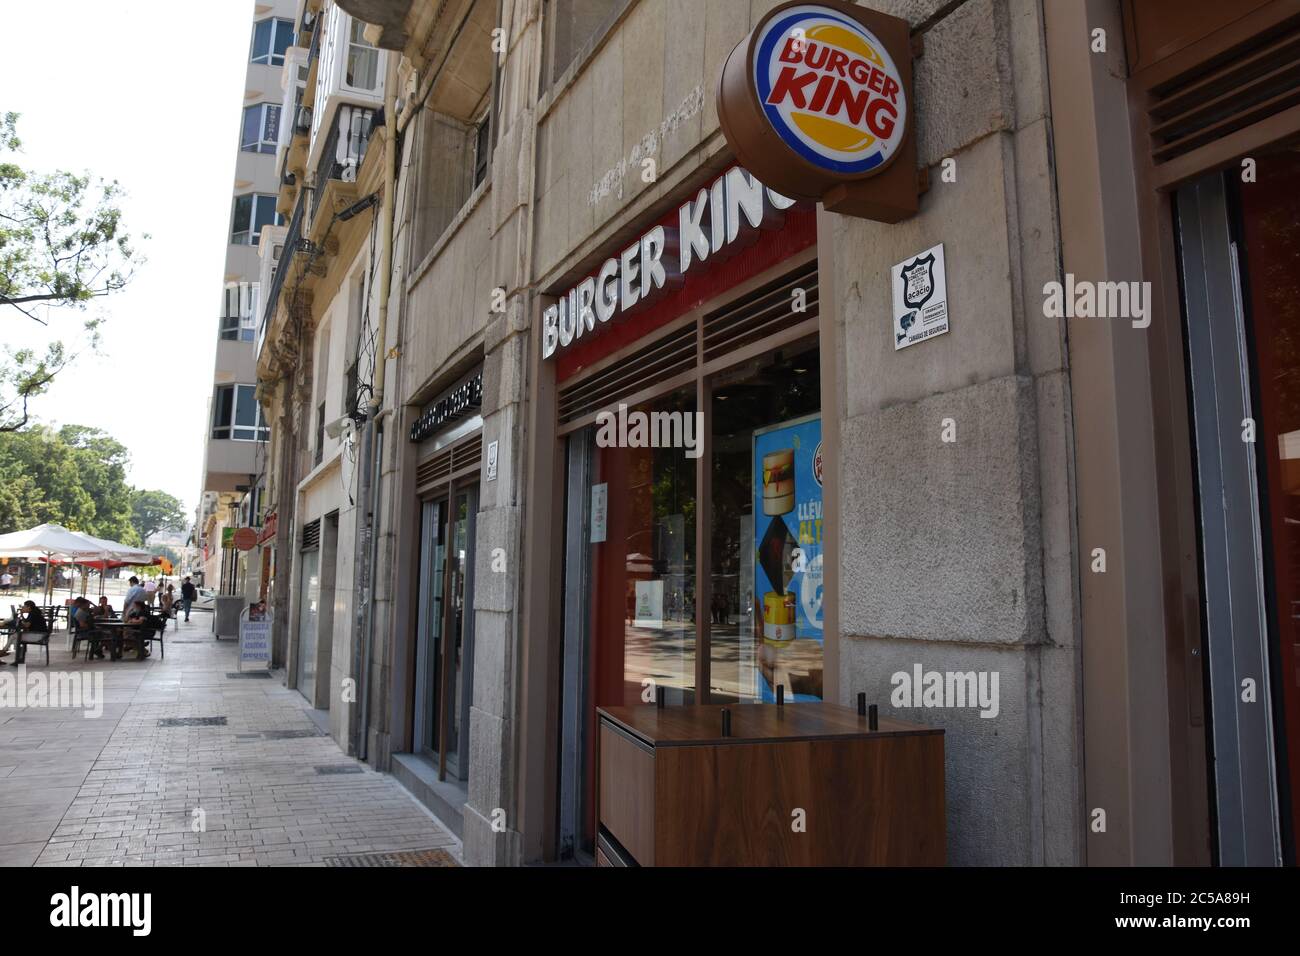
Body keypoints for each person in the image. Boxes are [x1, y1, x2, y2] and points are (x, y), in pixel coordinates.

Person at [10, 600, 47, 665]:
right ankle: (19, 658)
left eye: (24, 607)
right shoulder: (33, 612)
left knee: (14, 636)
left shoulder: (33, 614)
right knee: (15, 637)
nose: (23, 608)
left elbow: (27, 625)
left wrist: (21, 620)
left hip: (39, 636)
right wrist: (22, 615)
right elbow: (27, 622)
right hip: (40, 635)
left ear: (29, 607)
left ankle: (8, 653)